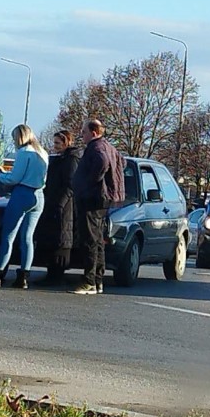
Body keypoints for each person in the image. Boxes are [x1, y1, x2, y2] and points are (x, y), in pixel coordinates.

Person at [0, 124, 48, 289]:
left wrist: (0, 175)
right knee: (27, 238)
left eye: (14, 137)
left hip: (22, 194)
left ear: (20, 137)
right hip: (39, 195)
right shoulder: (42, 152)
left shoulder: (24, 153)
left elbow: (14, 178)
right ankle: (23, 277)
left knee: (8, 237)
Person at [70, 119, 125, 295]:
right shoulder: (110, 147)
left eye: (84, 132)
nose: (82, 135)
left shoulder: (96, 147)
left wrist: (88, 183)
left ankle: (89, 281)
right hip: (103, 199)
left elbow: (102, 163)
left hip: (92, 199)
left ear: (93, 132)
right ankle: (98, 280)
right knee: (98, 239)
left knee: (89, 240)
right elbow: (121, 163)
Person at [34, 130, 81, 285]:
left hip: (63, 206)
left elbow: (70, 184)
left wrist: (60, 204)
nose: (55, 146)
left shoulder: (71, 160)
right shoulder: (60, 159)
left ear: (66, 142)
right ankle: (51, 274)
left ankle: (56, 275)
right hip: (54, 203)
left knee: (61, 239)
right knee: (52, 238)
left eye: (57, 143)